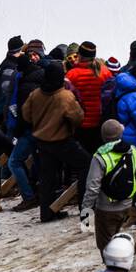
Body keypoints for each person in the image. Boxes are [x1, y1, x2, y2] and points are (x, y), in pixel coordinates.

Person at [20, 61, 87, 222]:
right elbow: (77, 118)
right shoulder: (65, 96)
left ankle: (47, 213)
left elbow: (25, 115)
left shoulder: (35, 94)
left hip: (41, 141)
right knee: (86, 164)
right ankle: (85, 208)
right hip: (62, 141)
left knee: (47, 178)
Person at [80, 119, 136, 254]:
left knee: (105, 245)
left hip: (106, 209)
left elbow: (92, 187)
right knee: (117, 239)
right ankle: (121, 267)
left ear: (103, 137)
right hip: (127, 204)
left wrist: (86, 210)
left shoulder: (100, 157)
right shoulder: (131, 150)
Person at [64, 40, 112, 152]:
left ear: (79, 55)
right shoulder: (105, 72)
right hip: (100, 123)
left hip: (80, 124)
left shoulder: (72, 75)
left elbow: (65, 99)